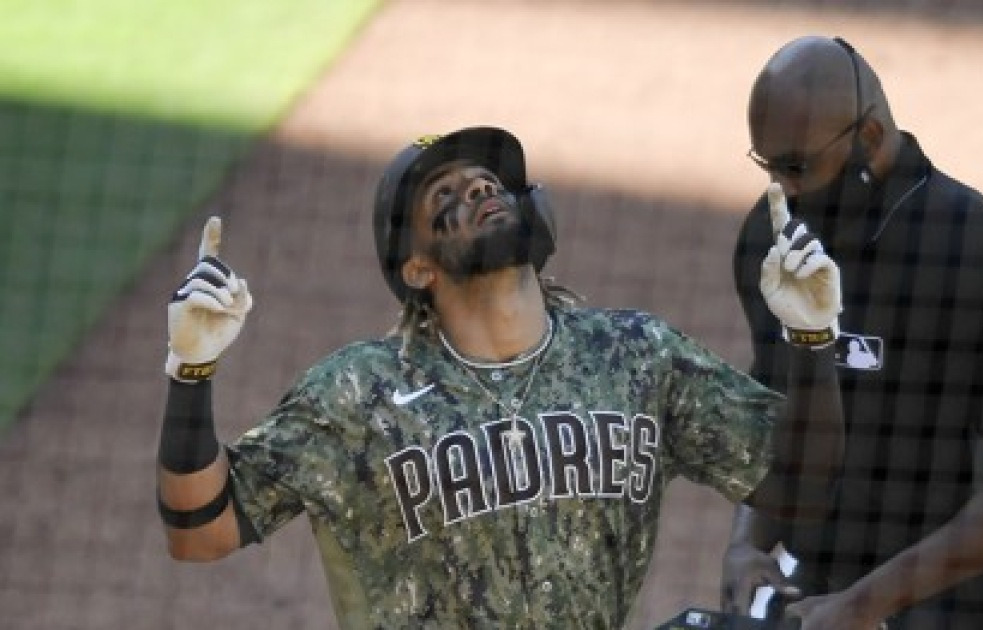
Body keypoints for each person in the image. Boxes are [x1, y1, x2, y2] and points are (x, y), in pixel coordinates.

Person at [155, 126, 849, 629]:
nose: (480, 187)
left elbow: (803, 486)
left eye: (488, 180)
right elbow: (201, 533)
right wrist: (192, 371)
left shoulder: (635, 354)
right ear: (417, 268)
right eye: (445, 193)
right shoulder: (357, 394)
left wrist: (812, 338)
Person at [720, 36, 983, 629]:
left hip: (975, 610)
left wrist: (867, 604)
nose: (781, 189)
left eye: (797, 166)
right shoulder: (771, 240)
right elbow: (777, 418)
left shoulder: (981, 252)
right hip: (826, 601)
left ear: (868, 138)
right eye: (768, 167)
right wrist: (747, 543)